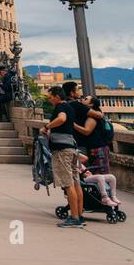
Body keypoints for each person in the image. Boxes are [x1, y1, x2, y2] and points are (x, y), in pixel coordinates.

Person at [43, 86, 85, 227]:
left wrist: (47, 127)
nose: (49, 99)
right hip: (71, 148)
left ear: (57, 96)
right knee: (76, 182)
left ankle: (74, 217)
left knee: (68, 183)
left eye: (50, 96)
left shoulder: (60, 108)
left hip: (62, 150)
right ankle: (79, 214)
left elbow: (61, 119)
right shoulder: (70, 107)